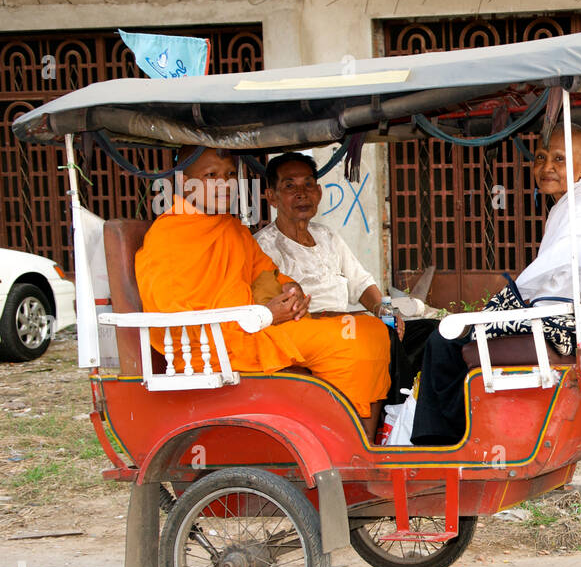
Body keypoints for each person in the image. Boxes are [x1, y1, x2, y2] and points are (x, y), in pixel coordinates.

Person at [136, 145, 391, 433]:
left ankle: (357, 438)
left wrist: (290, 289)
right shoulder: (167, 237)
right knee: (352, 340)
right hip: (218, 346)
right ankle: (349, 441)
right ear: (183, 183)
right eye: (211, 176)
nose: (225, 184)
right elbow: (171, 317)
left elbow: (265, 271)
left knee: (371, 330)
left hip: (253, 329)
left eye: (230, 174)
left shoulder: (229, 227)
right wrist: (263, 315)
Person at [410, 125, 581, 446]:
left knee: (444, 341)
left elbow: (544, 282)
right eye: (541, 158)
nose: (547, 168)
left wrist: (495, 311)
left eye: (560, 159)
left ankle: (441, 445)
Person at [255, 152, 438, 402]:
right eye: (289, 186)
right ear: (272, 197)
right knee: (380, 335)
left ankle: (421, 406)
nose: (302, 193)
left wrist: (380, 309)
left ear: (319, 192)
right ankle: (395, 414)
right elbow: (282, 312)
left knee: (431, 331)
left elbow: (361, 282)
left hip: (347, 326)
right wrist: (358, 319)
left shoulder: (327, 236)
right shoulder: (264, 247)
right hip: (311, 336)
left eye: (308, 184)